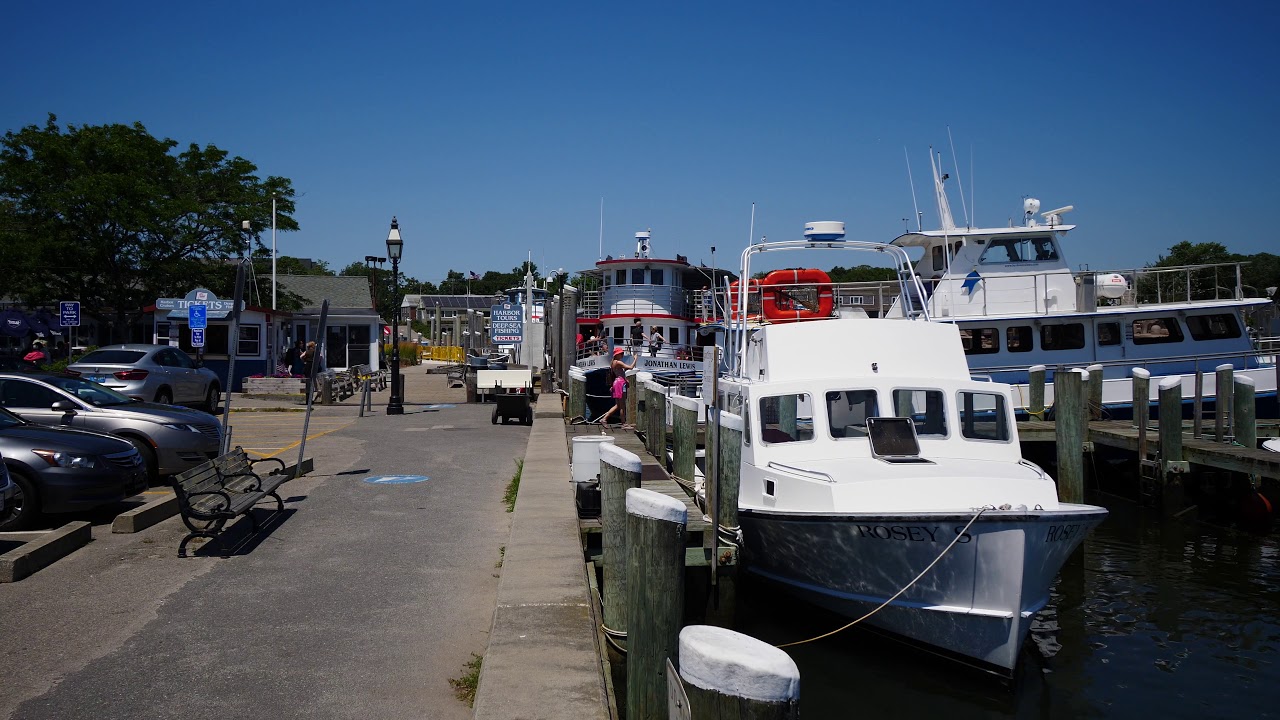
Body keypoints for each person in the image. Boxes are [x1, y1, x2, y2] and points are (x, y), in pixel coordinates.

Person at [599, 347, 636, 426]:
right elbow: (631, 367)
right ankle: (623, 423)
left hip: (616, 383)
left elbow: (620, 372)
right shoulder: (618, 362)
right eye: (621, 353)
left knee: (618, 405)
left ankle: (604, 419)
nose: (622, 355)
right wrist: (635, 359)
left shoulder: (613, 363)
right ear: (617, 354)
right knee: (622, 405)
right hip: (620, 384)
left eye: (622, 353)